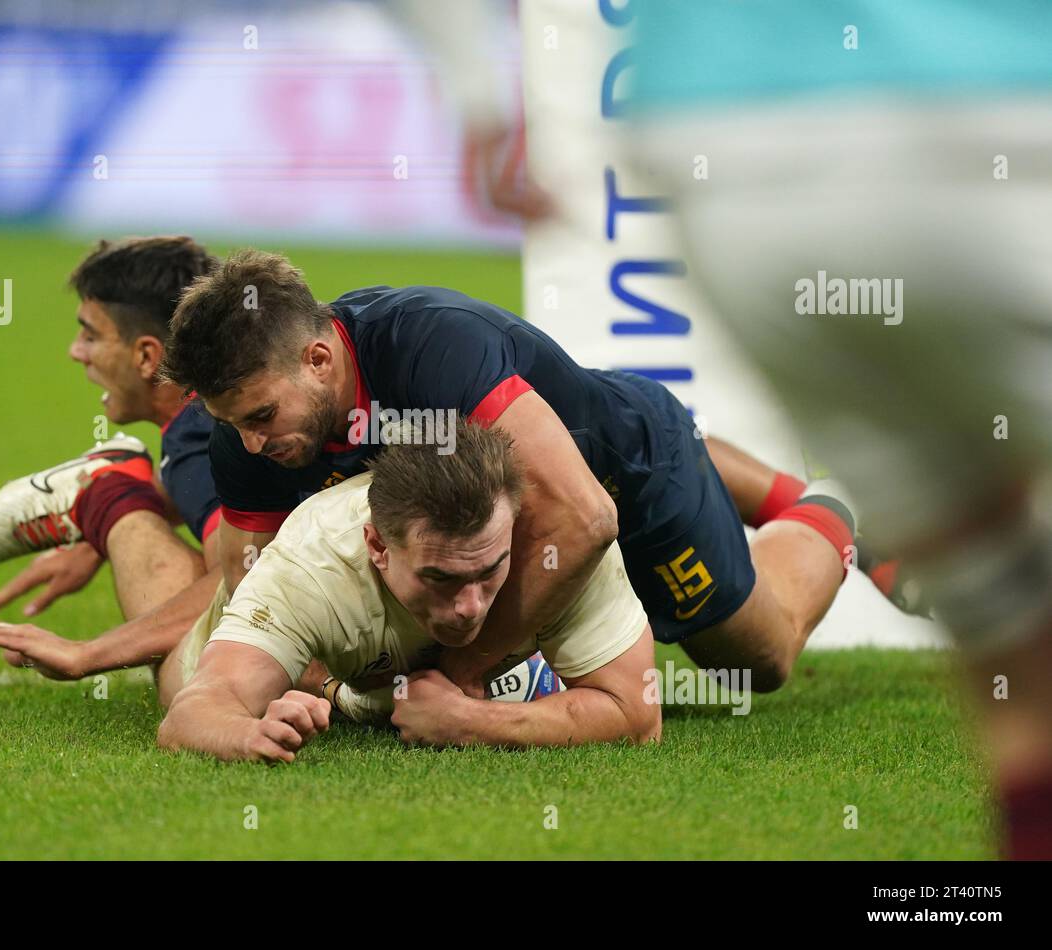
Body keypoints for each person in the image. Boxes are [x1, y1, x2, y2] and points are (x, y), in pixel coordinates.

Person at [622, 0, 1052, 858]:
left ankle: (855, 516)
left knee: (1010, 639)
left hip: (729, 174)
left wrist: (479, 96)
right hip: (1000, 121)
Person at [158, 249, 869, 699]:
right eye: (233, 424)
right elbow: (254, 583)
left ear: (318, 360)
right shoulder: (246, 437)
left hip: (626, 475)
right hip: (538, 488)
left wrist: (463, 675)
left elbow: (584, 517)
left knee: (756, 659)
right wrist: (317, 683)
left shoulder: (433, 344)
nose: (250, 444)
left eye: (261, 416)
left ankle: (839, 499)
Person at [157, 421, 658, 762]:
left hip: (359, 672)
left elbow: (638, 719)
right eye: (440, 578)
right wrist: (249, 732)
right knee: (168, 670)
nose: (469, 608)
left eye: (489, 571)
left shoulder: (556, 547)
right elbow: (191, 715)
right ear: (376, 545)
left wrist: (470, 722)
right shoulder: (311, 563)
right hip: (236, 631)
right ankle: (117, 501)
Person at [0, 236, 236, 703]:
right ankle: (112, 494)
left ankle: (108, 489)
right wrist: (96, 539)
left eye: (90, 335)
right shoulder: (219, 409)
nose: (75, 351)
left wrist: (88, 653)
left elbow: (242, 583)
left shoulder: (198, 435)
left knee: (194, 683)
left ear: (147, 356)